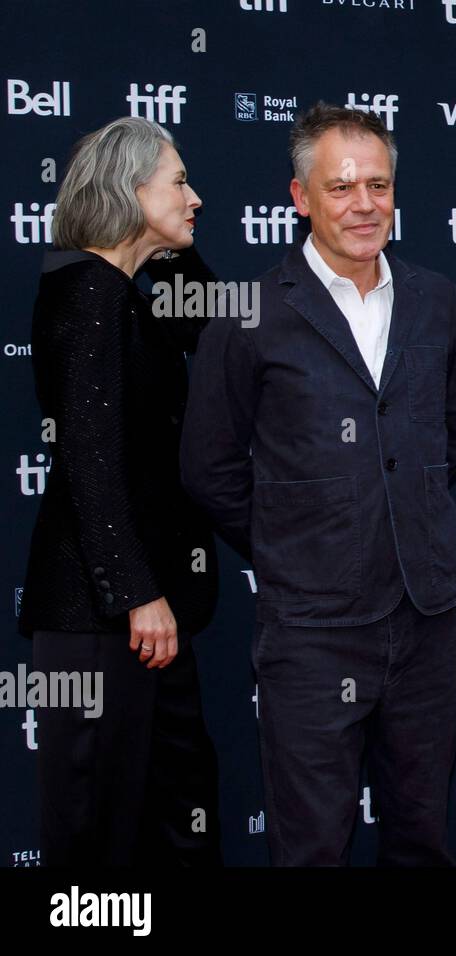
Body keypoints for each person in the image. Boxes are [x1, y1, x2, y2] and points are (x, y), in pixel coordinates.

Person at [181, 104, 456, 866]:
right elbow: (210, 468)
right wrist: (296, 541)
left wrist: (400, 515)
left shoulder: (435, 299)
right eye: (341, 187)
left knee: (423, 839)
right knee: (310, 847)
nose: (365, 204)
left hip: (427, 621)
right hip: (311, 634)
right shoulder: (247, 316)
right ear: (300, 197)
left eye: (378, 185)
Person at [19, 116, 222, 866]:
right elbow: (88, 461)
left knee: (172, 815)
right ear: (130, 192)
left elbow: (204, 320)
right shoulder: (89, 292)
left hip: (141, 612)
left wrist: (166, 238)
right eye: (177, 182)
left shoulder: (126, 288)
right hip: (103, 614)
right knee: (98, 836)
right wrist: (137, 592)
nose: (196, 196)